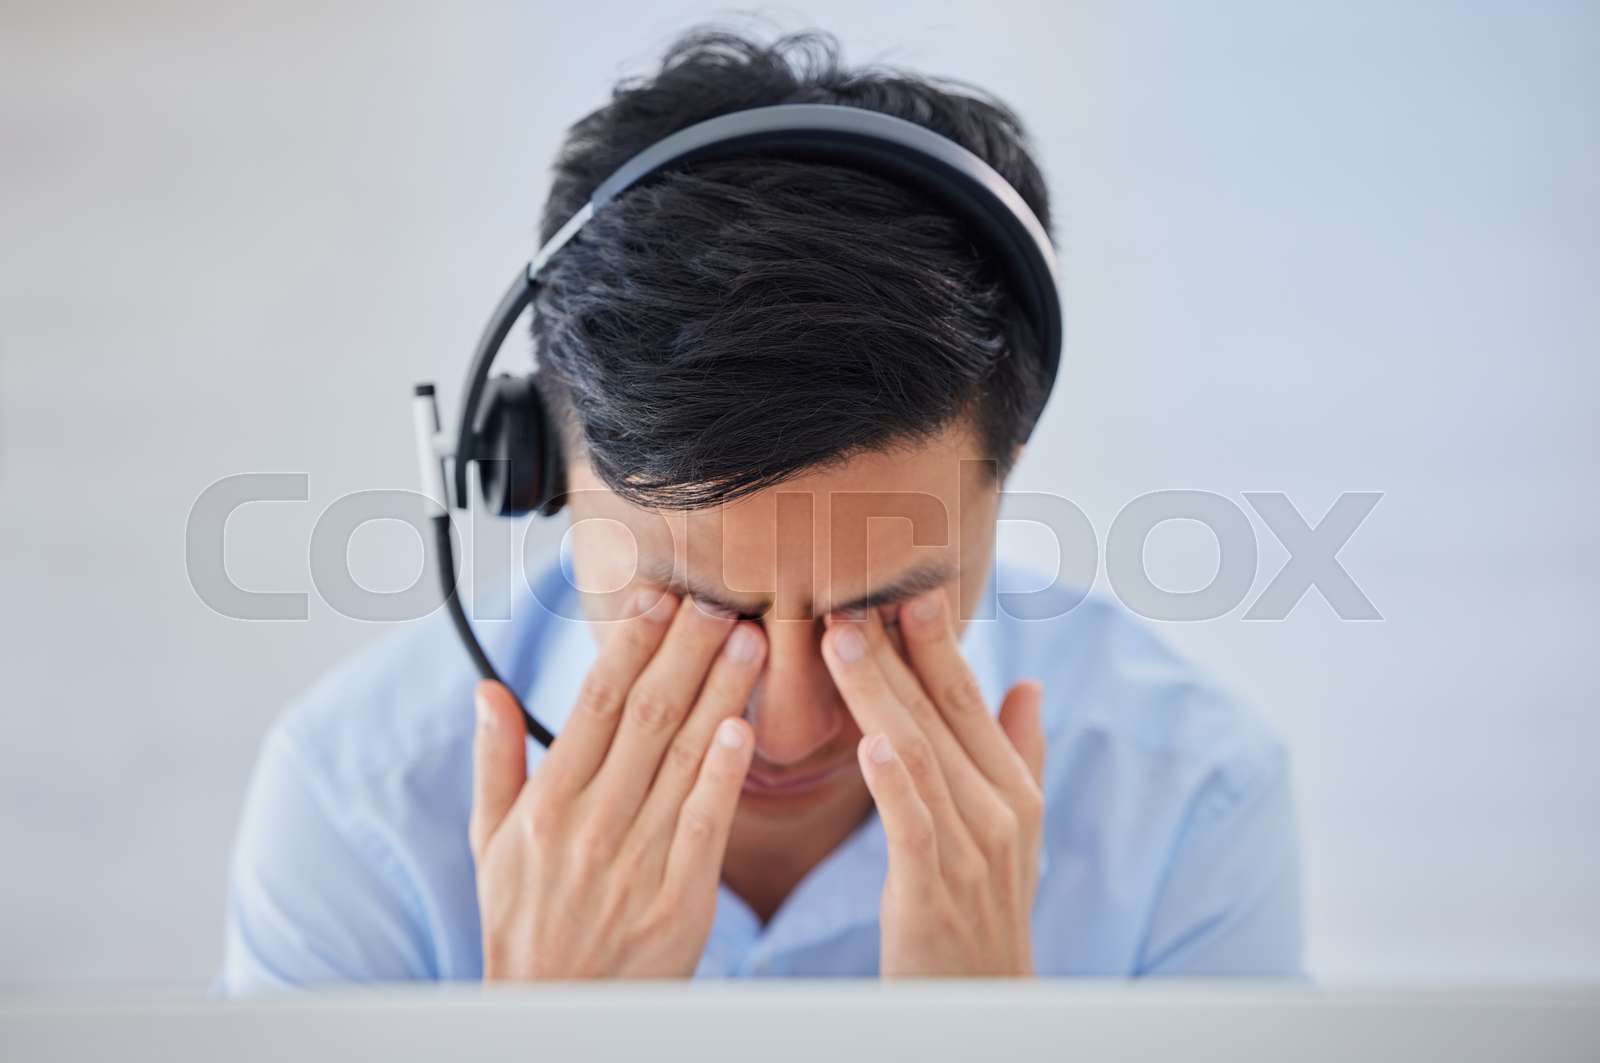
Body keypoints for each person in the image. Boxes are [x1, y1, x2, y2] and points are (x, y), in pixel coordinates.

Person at [220, 26, 1301, 990]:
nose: (783, 725)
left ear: (1004, 475)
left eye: (882, 608)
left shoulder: (1191, 801)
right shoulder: (356, 809)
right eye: (699, 606)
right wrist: (542, 1049)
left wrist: (985, 1047)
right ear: (534, 470)